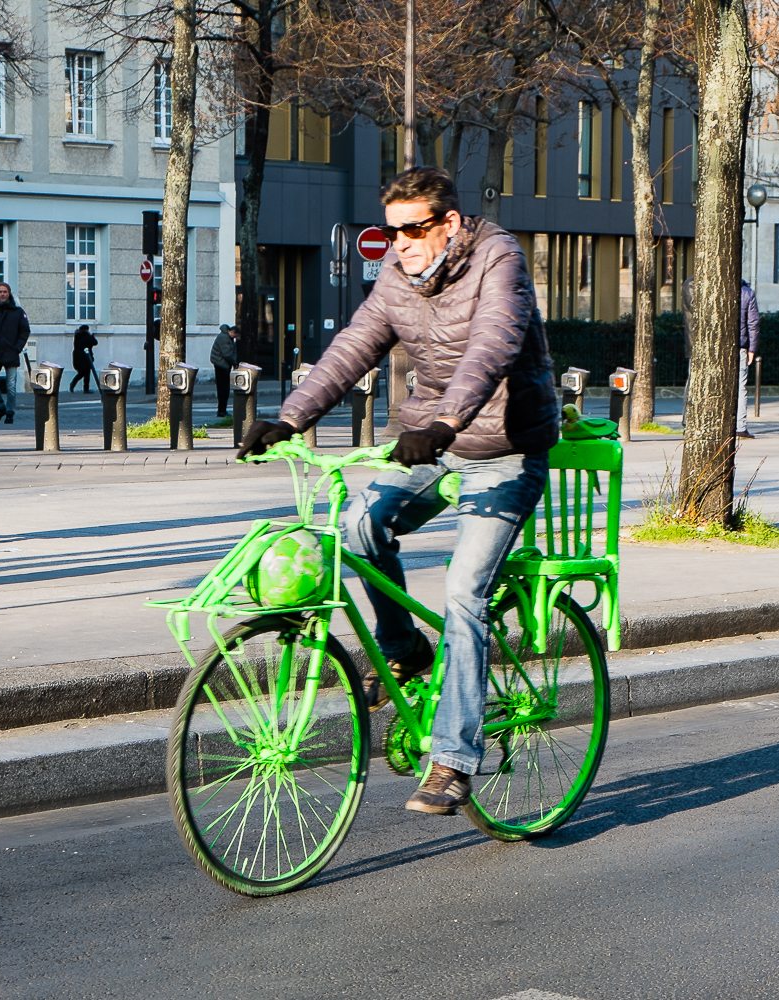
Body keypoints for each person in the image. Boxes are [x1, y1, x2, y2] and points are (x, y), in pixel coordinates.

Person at [237, 167, 559, 815]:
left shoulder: (499, 259)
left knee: (465, 593)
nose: (400, 243)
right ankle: (404, 649)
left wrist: (444, 423)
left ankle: (453, 761)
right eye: (391, 231)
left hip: (504, 448)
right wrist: (290, 418)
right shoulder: (396, 273)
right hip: (431, 443)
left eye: (413, 230)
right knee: (357, 526)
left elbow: (491, 348)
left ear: (449, 223)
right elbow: (354, 345)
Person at [0, 282, 30, 424]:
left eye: (5, 292)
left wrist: (17, 347)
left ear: (9, 293)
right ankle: (0, 406)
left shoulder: (17, 311)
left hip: (11, 352)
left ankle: (10, 411)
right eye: (0, 292)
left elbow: (25, 331)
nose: (2, 294)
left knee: (11, 386)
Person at [737, 279, 760, 438]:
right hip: (741, 345)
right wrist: (752, 349)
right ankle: (740, 426)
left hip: (719, 347)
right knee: (741, 387)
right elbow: (753, 324)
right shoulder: (747, 293)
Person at [210, 323, 238, 418]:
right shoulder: (224, 338)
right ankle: (221, 411)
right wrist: (234, 363)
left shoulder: (227, 337)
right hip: (221, 365)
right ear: (232, 332)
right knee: (223, 389)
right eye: (235, 335)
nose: (235, 338)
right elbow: (227, 354)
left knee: (223, 389)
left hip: (222, 365)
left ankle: (222, 410)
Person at [69, 324, 98, 393]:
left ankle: (74, 385)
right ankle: (85, 388)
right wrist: (92, 336)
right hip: (86, 357)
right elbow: (94, 342)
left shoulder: (77, 336)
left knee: (82, 373)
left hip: (77, 357)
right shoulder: (86, 336)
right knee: (85, 373)